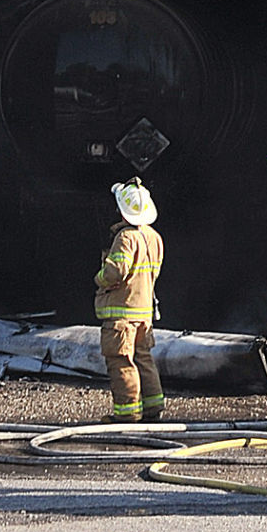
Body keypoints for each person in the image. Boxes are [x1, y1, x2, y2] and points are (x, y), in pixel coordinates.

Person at [95, 178, 164, 423]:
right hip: (144, 312)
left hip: (122, 313)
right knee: (143, 358)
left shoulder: (126, 238)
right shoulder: (154, 237)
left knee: (121, 361)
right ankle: (153, 407)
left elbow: (115, 272)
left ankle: (128, 413)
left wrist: (100, 278)